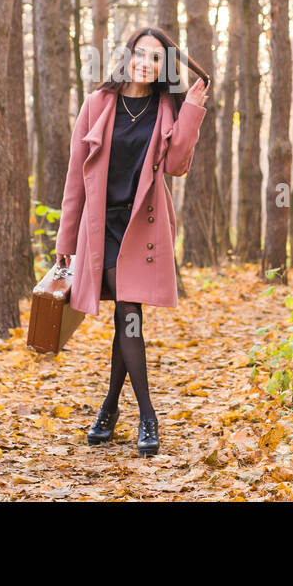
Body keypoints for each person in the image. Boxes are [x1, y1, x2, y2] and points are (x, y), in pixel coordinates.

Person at [53, 26, 209, 457]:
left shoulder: (166, 109)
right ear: (127, 56)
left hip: (142, 228)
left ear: (164, 67)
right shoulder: (97, 104)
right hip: (102, 227)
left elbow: (177, 166)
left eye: (156, 58)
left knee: (128, 314)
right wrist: (66, 237)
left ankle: (117, 410)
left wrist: (192, 110)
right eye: (140, 53)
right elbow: (74, 178)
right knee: (127, 314)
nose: (145, 62)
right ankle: (142, 415)